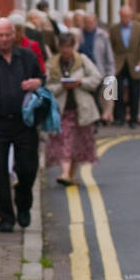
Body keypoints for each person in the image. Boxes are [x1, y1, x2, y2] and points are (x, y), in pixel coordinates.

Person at [0, 17, 42, 231]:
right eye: (0, 35)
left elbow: (42, 81)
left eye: (7, 35)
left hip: (24, 122)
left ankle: (23, 204)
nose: (4, 39)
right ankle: (6, 217)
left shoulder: (27, 57)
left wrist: (37, 83)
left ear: (14, 35)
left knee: (28, 168)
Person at [45, 31, 102, 185]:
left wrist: (80, 82)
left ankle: (70, 175)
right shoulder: (52, 64)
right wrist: (61, 86)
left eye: (69, 47)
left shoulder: (82, 60)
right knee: (64, 140)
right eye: (63, 47)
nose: (66, 51)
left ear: (74, 46)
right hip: (61, 110)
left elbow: (96, 78)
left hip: (81, 109)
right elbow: (47, 87)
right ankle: (64, 173)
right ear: (58, 47)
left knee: (77, 143)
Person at [109, 5, 140, 127]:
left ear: (131, 16)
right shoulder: (114, 29)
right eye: (122, 16)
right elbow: (111, 46)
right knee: (117, 91)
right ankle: (119, 117)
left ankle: (133, 119)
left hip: (135, 63)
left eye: (127, 16)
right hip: (119, 63)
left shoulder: (139, 28)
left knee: (135, 92)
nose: (124, 19)